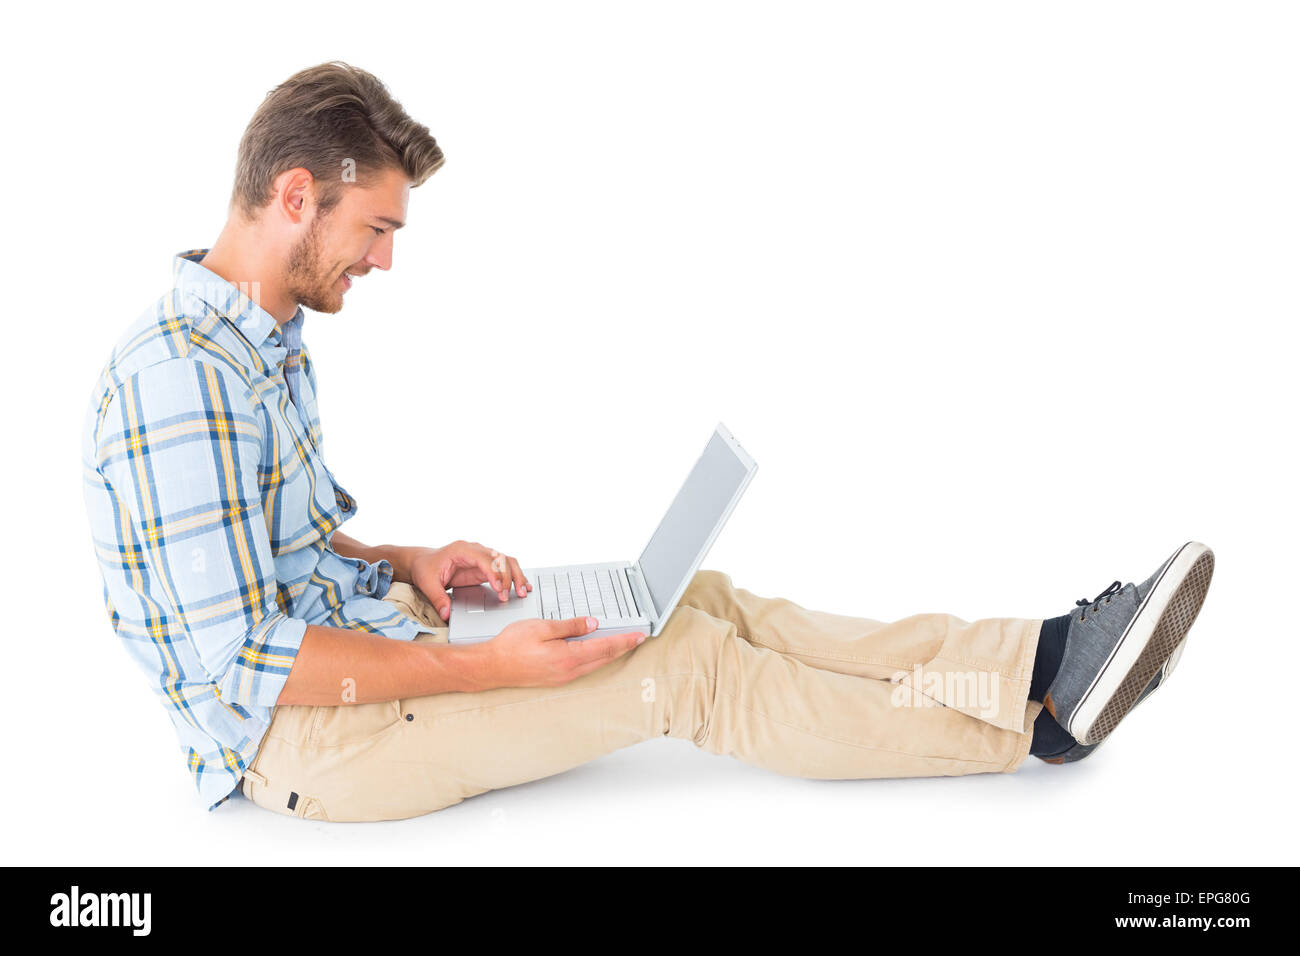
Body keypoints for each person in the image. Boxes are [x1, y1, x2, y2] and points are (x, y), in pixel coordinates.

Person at [81, 62, 1215, 822]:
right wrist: (482, 663)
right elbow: (246, 661)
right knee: (687, 671)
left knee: (699, 598)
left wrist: (410, 563)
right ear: (295, 195)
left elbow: (270, 563)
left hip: (366, 637)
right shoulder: (183, 377)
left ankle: (1046, 653)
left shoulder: (259, 338)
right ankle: (1033, 725)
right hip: (302, 743)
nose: (384, 260)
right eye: (375, 227)